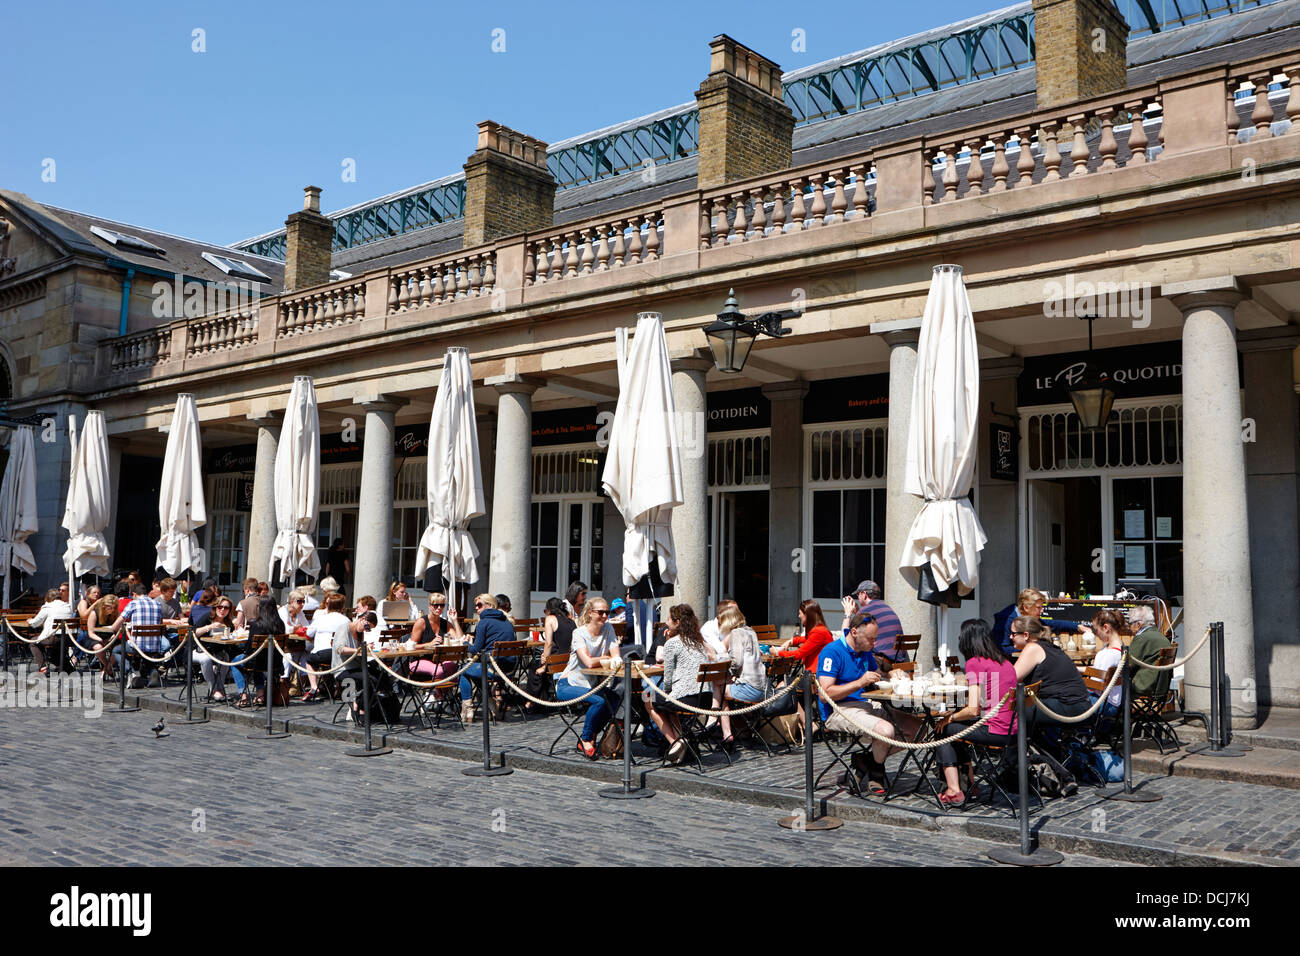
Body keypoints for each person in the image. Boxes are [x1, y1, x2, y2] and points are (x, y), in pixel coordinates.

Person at [932, 618, 1019, 807]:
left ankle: (954, 789)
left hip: (995, 731)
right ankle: (971, 783)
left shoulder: (975, 663)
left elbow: (972, 710)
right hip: (1013, 731)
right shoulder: (1003, 661)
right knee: (957, 730)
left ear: (967, 640)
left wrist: (949, 718)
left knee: (943, 731)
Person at [816, 610, 903, 794]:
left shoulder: (865, 652)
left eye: (875, 639)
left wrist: (891, 674)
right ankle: (877, 774)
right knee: (886, 731)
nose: (874, 643)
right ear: (854, 632)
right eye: (871, 639)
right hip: (839, 710)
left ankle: (866, 762)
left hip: (867, 705)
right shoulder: (832, 652)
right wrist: (859, 683)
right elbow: (825, 694)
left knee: (917, 729)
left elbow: (876, 676)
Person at [1010, 615, 1088, 792]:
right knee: (1025, 718)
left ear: (1026, 635)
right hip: (1078, 703)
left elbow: (1011, 679)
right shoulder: (1049, 647)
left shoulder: (1033, 648)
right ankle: (1042, 767)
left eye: (1013, 634)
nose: (1010, 637)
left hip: (1068, 707)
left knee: (1012, 715)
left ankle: (1023, 771)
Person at [643, 603, 712, 764]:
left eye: (668, 619)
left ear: (677, 622)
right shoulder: (699, 642)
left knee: (647, 698)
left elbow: (667, 682)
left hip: (687, 699)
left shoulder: (672, 644)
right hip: (705, 698)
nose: (666, 623)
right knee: (667, 705)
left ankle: (677, 742)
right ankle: (679, 743)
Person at [555, 597, 622, 759]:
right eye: (601, 612)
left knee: (614, 699)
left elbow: (617, 657)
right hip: (568, 683)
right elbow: (589, 663)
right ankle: (585, 739)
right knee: (599, 701)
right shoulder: (579, 633)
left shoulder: (608, 629)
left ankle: (592, 734)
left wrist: (606, 657)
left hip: (591, 685)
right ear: (591, 613)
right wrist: (606, 657)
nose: (605, 616)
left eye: (607, 612)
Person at [714, 603, 767, 746]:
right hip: (762, 688)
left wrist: (718, 658)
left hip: (750, 688)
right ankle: (739, 729)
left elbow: (736, 662)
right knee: (720, 683)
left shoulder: (736, 633)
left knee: (718, 688)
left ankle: (725, 732)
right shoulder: (750, 631)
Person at [458, 594, 515, 723]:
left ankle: (468, 710)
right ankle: (491, 705)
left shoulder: (483, 623)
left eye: (479, 605)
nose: (477, 609)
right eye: (476, 606)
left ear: (489, 606)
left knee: (463, 669)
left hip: (494, 669)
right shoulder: (507, 622)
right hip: (509, 671)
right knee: (477, 670)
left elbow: (476, 649)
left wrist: (465, 643)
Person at [994, 588, 1090, 656]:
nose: (1042, 610)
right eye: (1038, 607)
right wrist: (1031, 648)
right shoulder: (1007, 620)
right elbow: (1001, 648)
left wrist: (1077, 626)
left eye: (1042, 607)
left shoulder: (1029, 618)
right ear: (1026, 607)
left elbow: (1052, 624)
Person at [110, 583, 170, 687]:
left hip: (137, 646)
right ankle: (152, 671)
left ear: (134, 594)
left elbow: (115, 626)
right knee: (147, 650)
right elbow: (160, 622)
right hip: (155, 646)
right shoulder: (157, 604)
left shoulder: (133, 604)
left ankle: (131, 673)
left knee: (117, 650)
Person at [232, 595, 282, 708]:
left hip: (257, 660)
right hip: (275, 662)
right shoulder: (280, 624)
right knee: (258, 660)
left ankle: (243, 696)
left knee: (235, 662)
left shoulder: (255, 624)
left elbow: (250, 649)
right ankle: (260, 695)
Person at [839, 580, 903, 666]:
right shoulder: (887, 607)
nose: (858, 598)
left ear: (864, 594)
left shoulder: (866, 610)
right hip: (899, 660)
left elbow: (845, 637)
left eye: (858, 595)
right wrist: (858, 612)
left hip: (882, 662)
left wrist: (847, 613)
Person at [407, 593, 465, 689]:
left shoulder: (445, 623)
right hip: (419, 660)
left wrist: (454, 620)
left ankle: (440, 697)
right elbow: (411, 646)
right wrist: (430, 644)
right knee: (439, 671)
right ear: (430, 606)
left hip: (439, 660)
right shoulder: (421, 622)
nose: (439, 608)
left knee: (456, 668)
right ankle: (434, 696)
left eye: (442, 605)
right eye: (436, 605)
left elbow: (460, 640)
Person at [528, 596, 575, 707]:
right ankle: (545, 699)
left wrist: (544, 662)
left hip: (556, 662)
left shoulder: (550, 619)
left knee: (534, 665)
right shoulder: (570, 619)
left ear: (549, 609)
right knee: (541, 663)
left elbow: (548, 643)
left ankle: (530, 701)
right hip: (569, 661)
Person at [303, 592, 352, 701]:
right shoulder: (346, 620)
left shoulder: (321, 619)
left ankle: (314, 687)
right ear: (342, 606)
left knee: (309, 661)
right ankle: (335, 687)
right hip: (339, 655)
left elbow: (308, 634)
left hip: (322, 654)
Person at [190, 592, 235, 703]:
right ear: (215, 608)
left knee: (225, 657)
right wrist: (209, 627)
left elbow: (230, 637)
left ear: (229, 610)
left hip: (216, 651)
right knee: (206, 659)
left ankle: (220, 687)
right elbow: (194, 632)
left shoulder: (228, 623)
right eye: (220, 607)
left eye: (226, 608)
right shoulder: (207, 618)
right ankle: (213, 689)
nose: (222, 610)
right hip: (198, 650)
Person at [28, 587, 77, 675]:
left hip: (55, 638)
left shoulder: (47, 607)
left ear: (48, 598)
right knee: (55, 646)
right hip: (69, 639)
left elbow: (35, 623)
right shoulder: (68, 607)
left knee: (33, 642)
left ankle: (42, 667)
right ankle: (63, 666)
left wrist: (30, 621)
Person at [1128, 605, 1173, 699]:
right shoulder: (1161, 636)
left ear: (1138, 624)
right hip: (1161, 687)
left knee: (1112, 684)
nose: (1129, 628)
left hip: (1144, 686)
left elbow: (1127, 664)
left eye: (1130, 624)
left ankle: (1117, 712)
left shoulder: (1142, 638)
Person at [1089, 609, 1127, 715]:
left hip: (1104, 702)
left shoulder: (1110, 654)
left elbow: (1096, 684)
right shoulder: (1120, 647)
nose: (1095, 634)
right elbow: (1099, 671)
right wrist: (1076, 669)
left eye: (1096, 630)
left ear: (1106, 628)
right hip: (1111, 701)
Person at [84, 593, 121, 680]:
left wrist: (114, 635)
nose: (111, 610)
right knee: (98, 647)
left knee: (119, 647)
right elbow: (91, 632)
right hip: (96, 637)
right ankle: (107, 665)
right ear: (103, 606)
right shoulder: (95, 613)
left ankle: (107, 668)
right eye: (109, 607)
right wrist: (101, 640)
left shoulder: (116, 613)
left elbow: (119, 629)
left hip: (111, 637)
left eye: (114, 607)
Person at [278, 589, 310, 686]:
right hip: (283, 648)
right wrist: (298, 628)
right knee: (287, 657)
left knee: (306, 656)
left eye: (303, 601)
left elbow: (307, 627)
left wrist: (294, 628)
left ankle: (300, 687)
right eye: (299, 601)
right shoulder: (283, 611)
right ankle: (283, 684)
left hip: (296, 646)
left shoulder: (299, 612)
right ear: (291, 602)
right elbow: (286, 630)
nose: (302, 604)